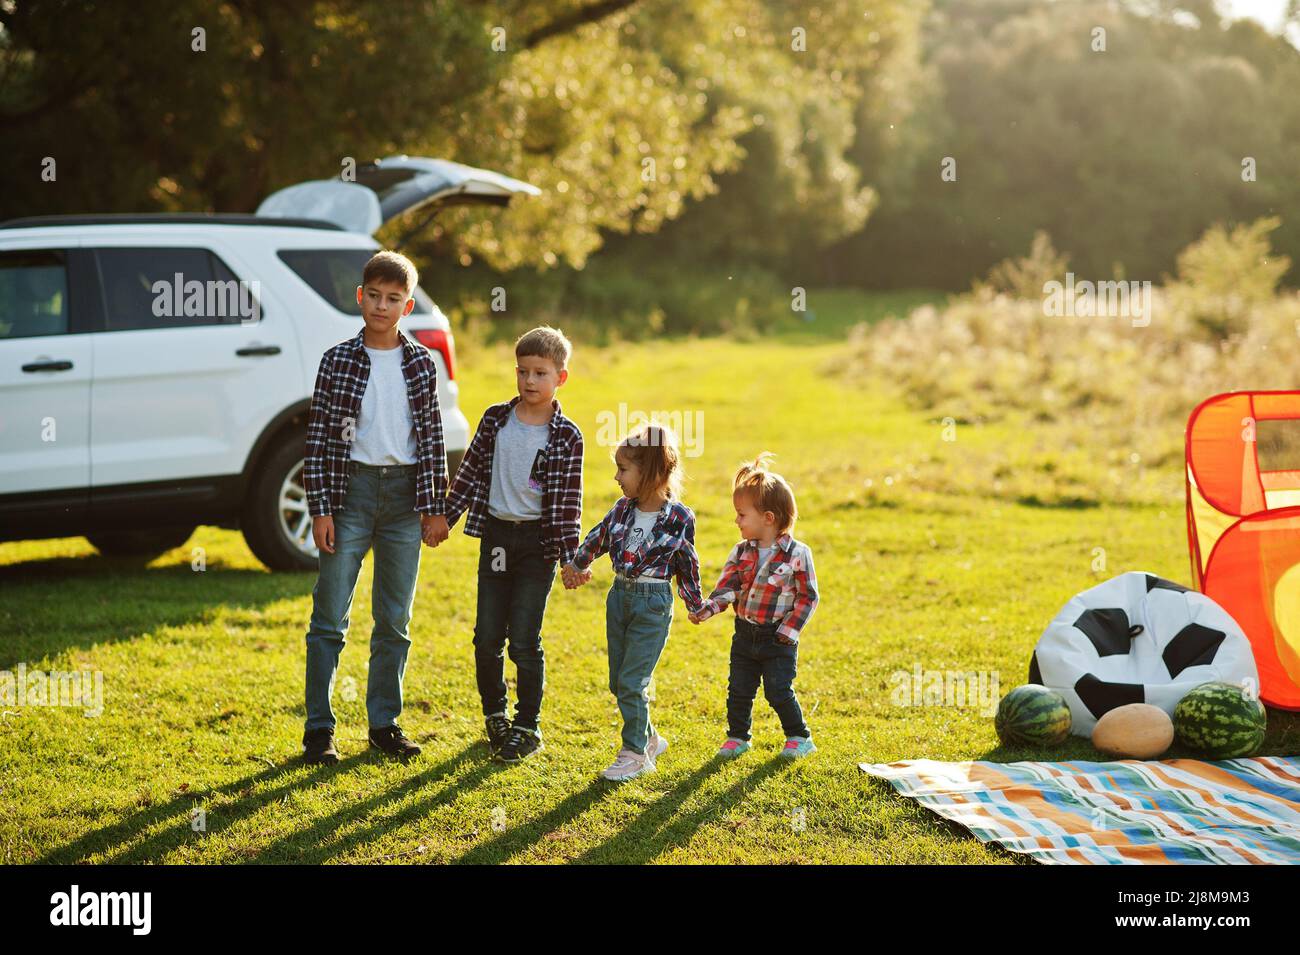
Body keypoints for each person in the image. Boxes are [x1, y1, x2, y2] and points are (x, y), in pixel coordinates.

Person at [300, 250, 449, 765]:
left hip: (406, 501)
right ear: (361, 297)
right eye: (375, 297)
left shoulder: (421, 364)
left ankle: (384, 724)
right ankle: (319, 730)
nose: (382, 306)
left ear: (407, 307)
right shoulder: (337, 360)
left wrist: (435, 507)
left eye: (394, 299)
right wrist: (322, 509)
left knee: (394, 620)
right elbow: (318, 440)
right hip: (351, 497)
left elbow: (431, 438)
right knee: (329, 617)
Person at [445, 327, 584, 762]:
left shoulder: (567, 437)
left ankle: (528, 725)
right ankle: (495, 715)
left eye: (540, 373)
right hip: (497, 539)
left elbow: (566, 505)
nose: (528, 381)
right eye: (522, 371)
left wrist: (570, 558)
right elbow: (468, 476)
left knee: (523, 638)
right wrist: (444, 519)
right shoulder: (495, 420)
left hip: (537, 545)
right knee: (487, 636)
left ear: (560, 378)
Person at [565, 424, 704, 781]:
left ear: (653, 473)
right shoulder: (622, 510)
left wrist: (693, 602)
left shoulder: (679, 517)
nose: (616, 477)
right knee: (619, 681)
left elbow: (686, 562)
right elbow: (597, 537)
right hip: (620, 598)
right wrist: (576, 564)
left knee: (633, 681)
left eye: (624, 469)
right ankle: (650, 738)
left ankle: (634, 753)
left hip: (653, 603)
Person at [689, 452, 819, 759]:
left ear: (768, 518)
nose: (736, 520)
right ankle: (738, 737)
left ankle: (799, 737)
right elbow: (728, 588)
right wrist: (707, 609)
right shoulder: (741, 551)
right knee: (739, 690)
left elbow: (808, 596)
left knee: (778, 690)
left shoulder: (798, 554)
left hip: (778, 639)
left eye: (741, 514)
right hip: (745, 635)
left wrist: (789, 631)